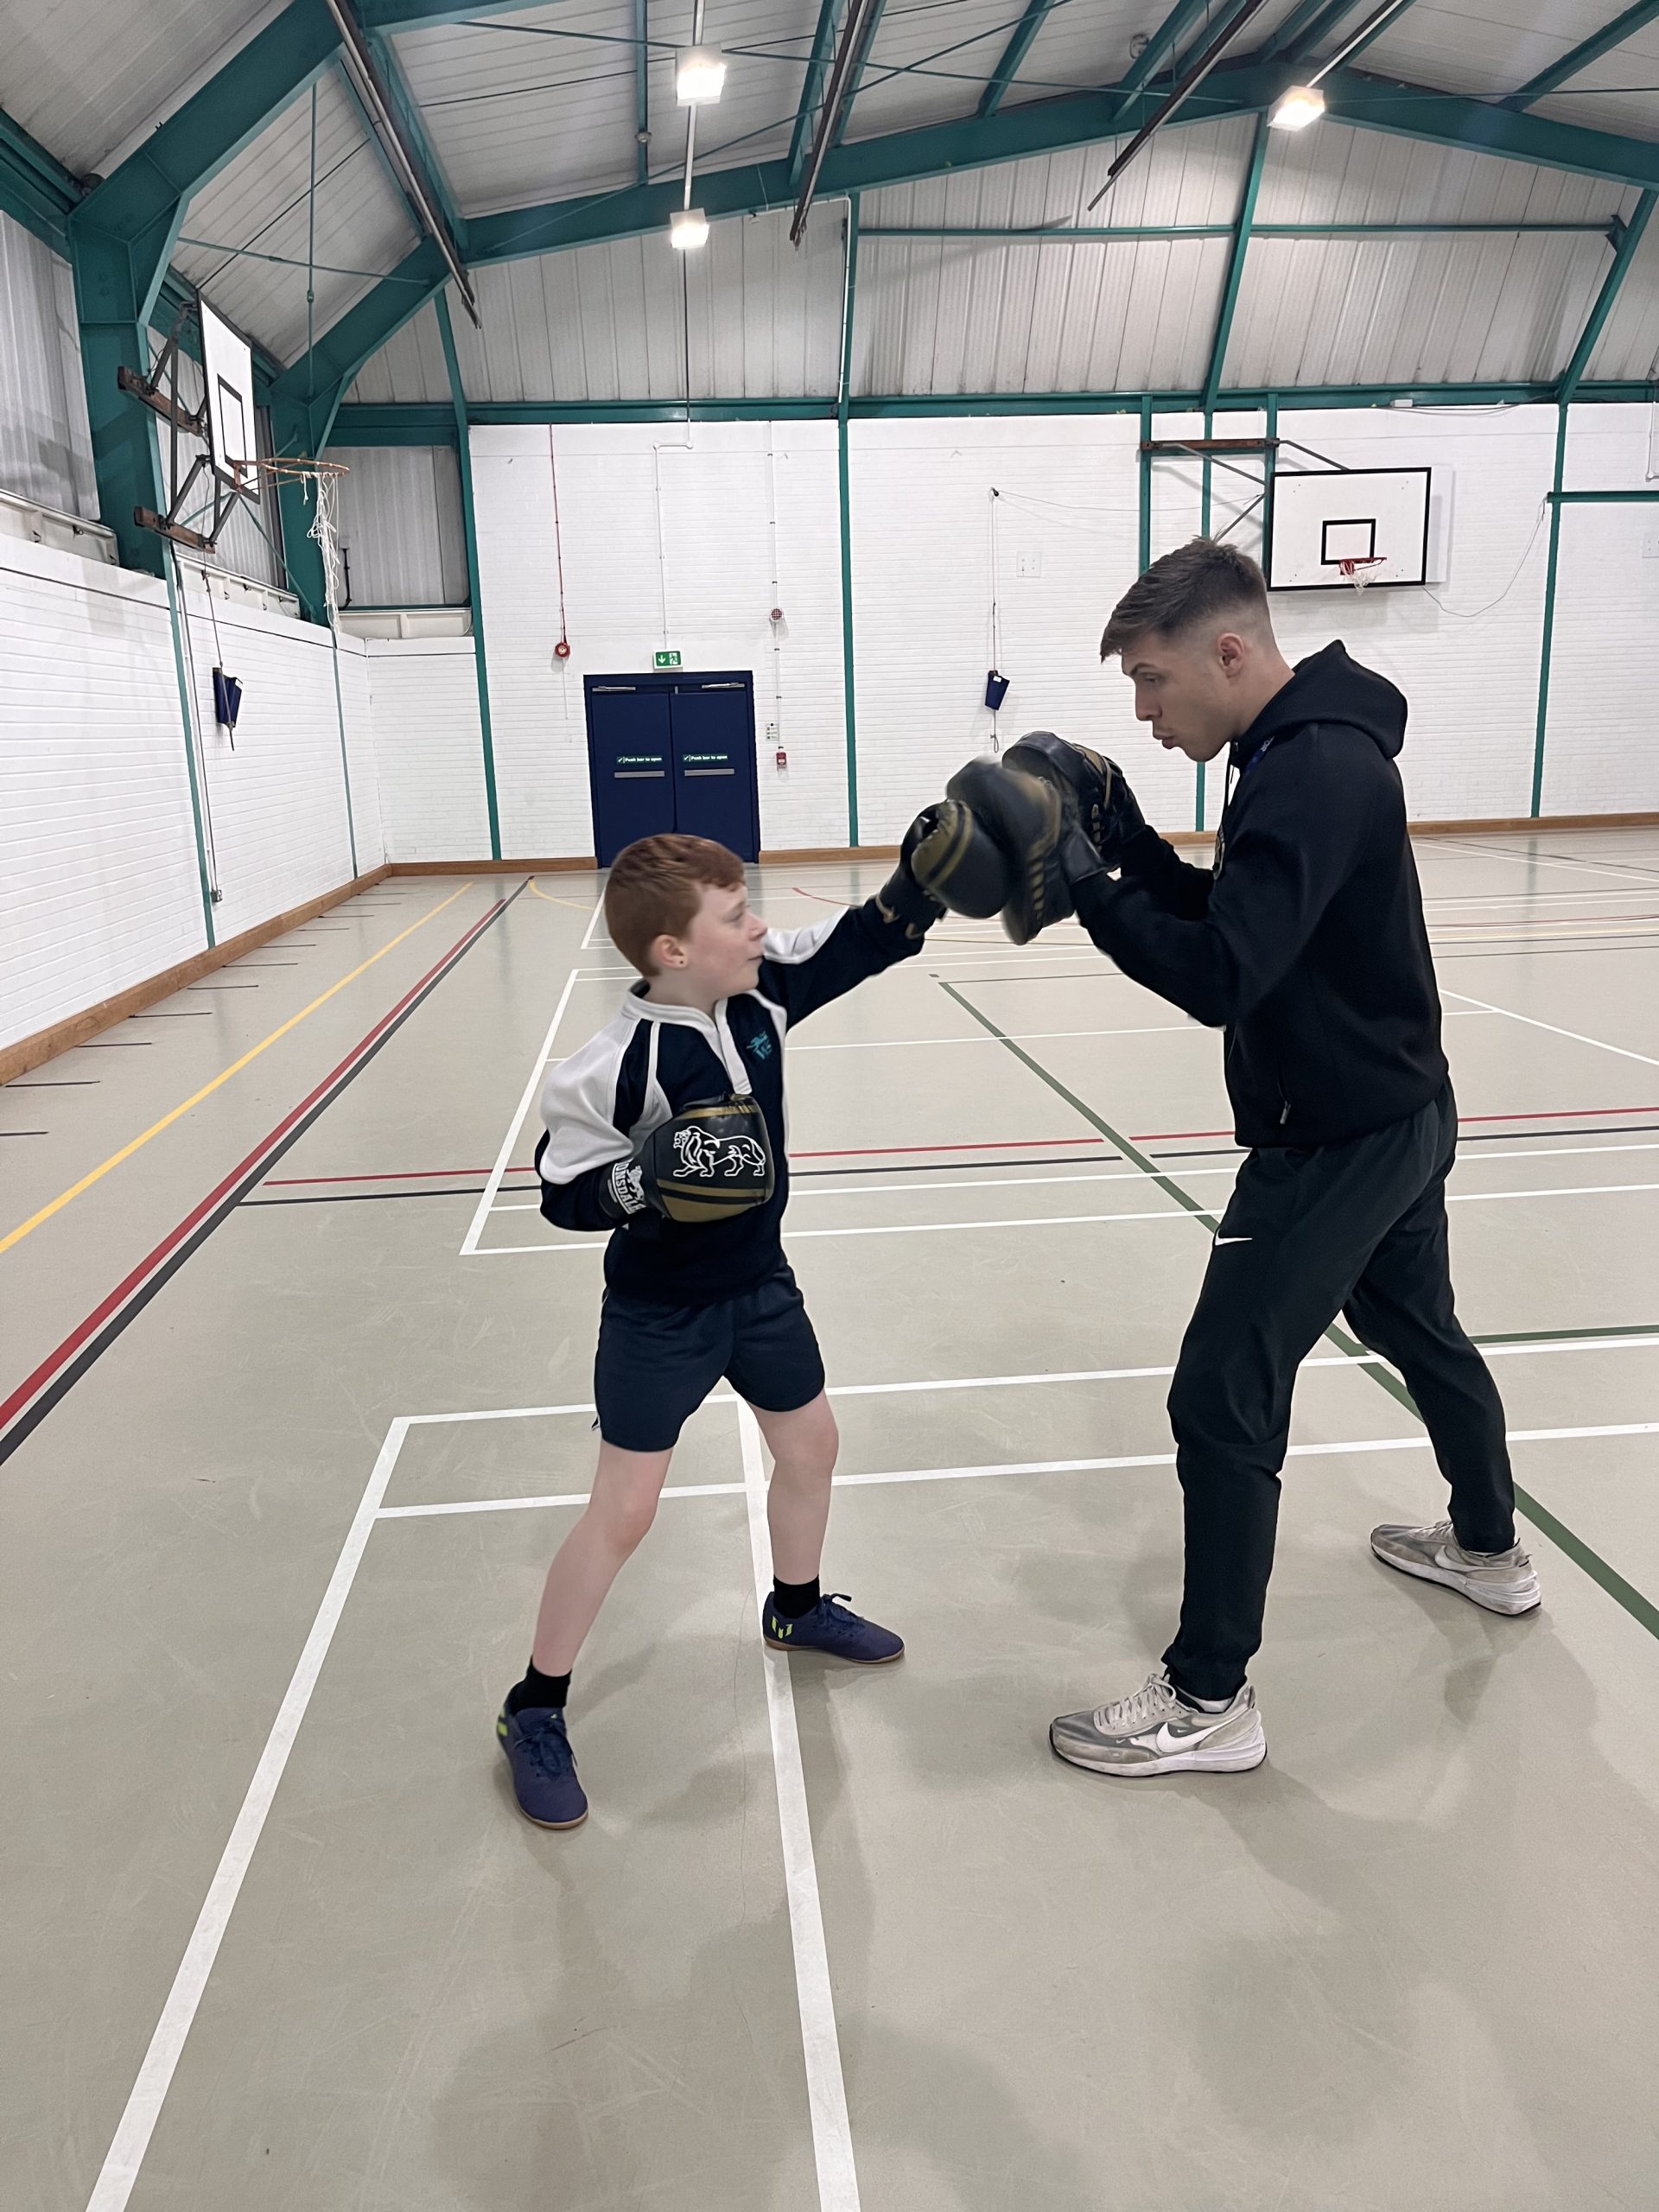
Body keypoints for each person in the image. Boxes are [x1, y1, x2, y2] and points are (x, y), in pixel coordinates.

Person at [963, 537, 1540, 1777]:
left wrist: (1087, 890)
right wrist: (1122, 849)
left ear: (1231, 651)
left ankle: (1208, 1697)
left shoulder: (1315, 770)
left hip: (1332, 1140)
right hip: (1394, 1107)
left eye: (1155, 681)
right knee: (1417, 1329)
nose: (1144, 710)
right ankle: (1489, 1549)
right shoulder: (1295, 747)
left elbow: (1222, 977)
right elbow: (1246, 924)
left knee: (1219, 1393)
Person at [496, 830, 949, 1828]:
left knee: (812, 1444)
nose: (760, 926)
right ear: (671, 949)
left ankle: (795, 1603)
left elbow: (857, 944)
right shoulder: (613, 1065)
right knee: (625, 1510)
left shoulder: (760, 996)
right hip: (660, 1311)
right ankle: (534, 1704)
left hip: (761, 1287)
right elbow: (561, 1192)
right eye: (736, 915)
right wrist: (642, 1179)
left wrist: (922, 887)